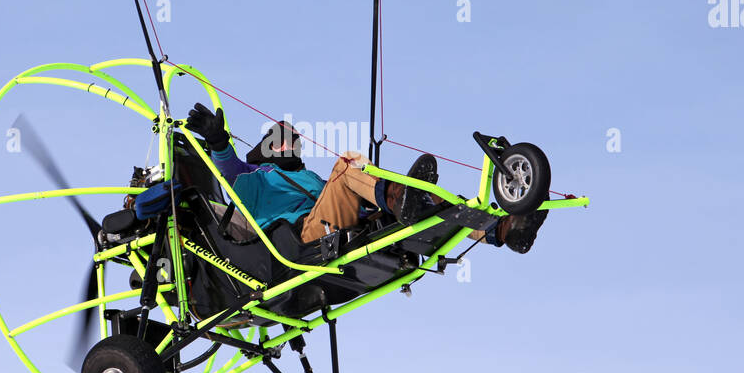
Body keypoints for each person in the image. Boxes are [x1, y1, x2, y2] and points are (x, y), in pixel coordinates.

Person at [185, 103, 546, 253]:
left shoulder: (307, 178)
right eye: (283, 140)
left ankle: (500, 230)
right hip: (304, 238)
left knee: (425, 197)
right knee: (346, 166)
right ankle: (399, 198)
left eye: (293, 139)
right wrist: (218, 141)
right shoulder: (257, 178)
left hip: (345, 224)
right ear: (267, 150)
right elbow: (229, 173)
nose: (293, 142)